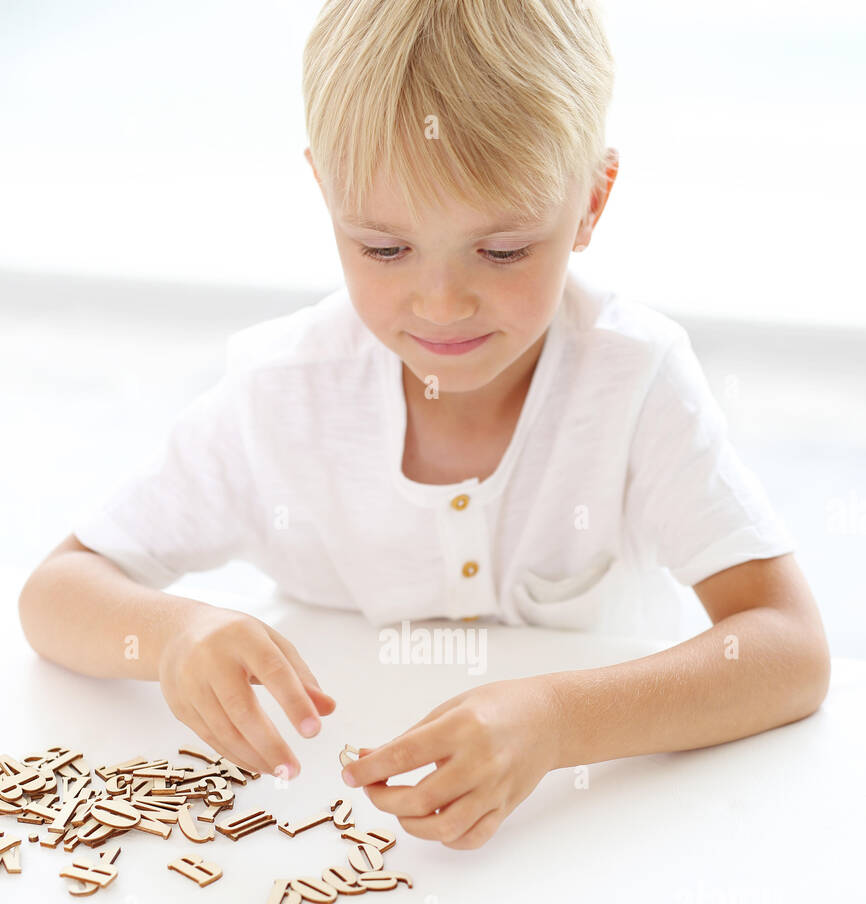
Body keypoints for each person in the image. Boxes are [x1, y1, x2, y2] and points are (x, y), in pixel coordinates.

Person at [18, 0, 830, 850]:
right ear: (324, 194)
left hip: (602, 843)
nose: (441, 304)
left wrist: (555, 719)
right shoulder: (279, 398)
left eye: (505, 251)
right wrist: (174, 634)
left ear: (592, 201)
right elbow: (53, 596)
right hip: (334, 838)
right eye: (382, 248)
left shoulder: (632, 380)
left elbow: (787, 647)